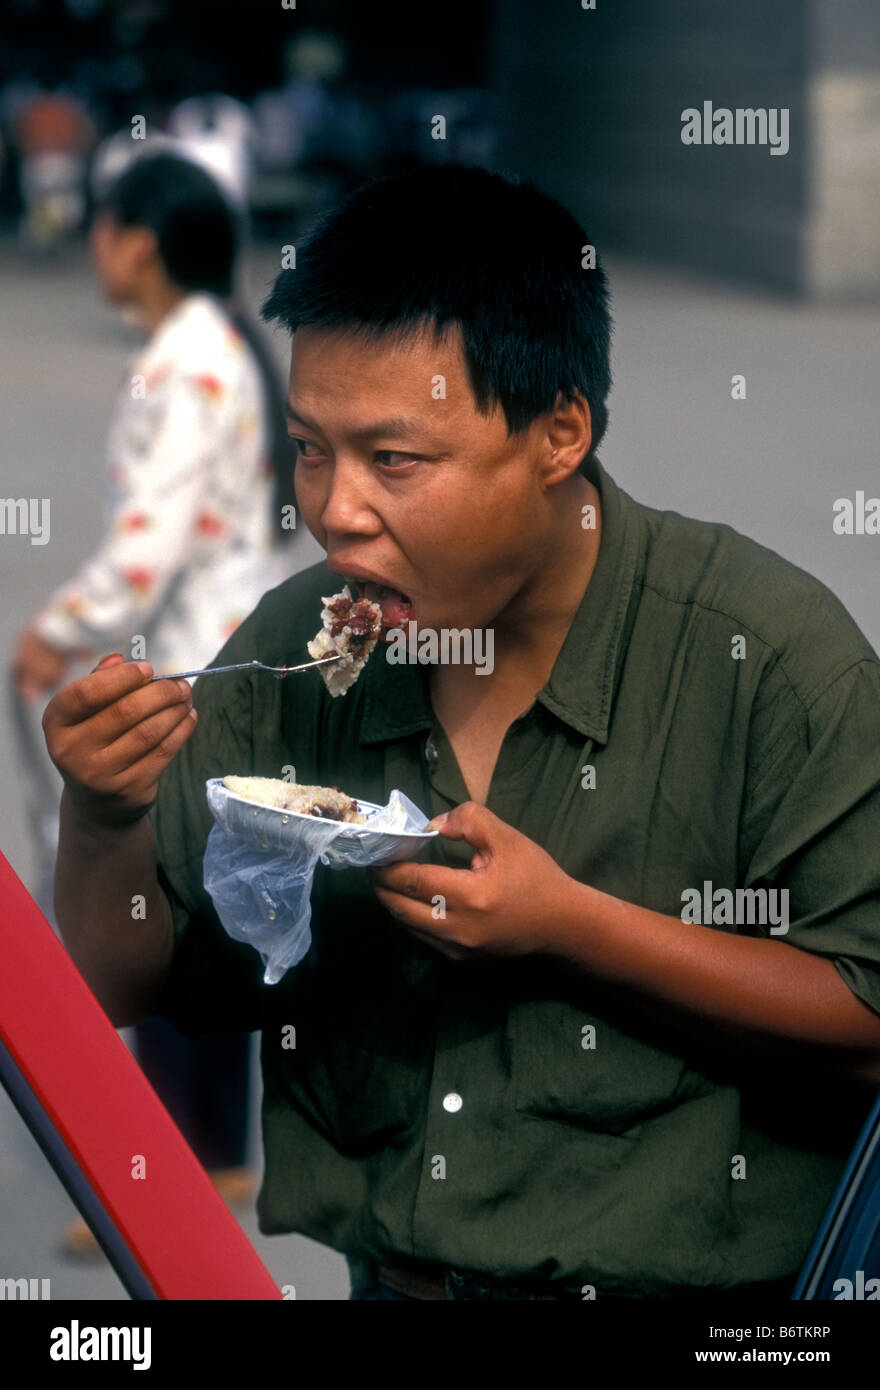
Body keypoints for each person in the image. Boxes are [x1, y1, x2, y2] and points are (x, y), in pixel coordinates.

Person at [41, 165, 880, 1299]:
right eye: (308, 448)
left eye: (394, 461)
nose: (335, 509)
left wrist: (571, 927)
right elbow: (117, 986)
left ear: (558, 434)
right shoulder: (296, 648)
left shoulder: (761, 655)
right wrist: (104, 813)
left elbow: (864, 1013)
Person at [14, 151, 296, 1255]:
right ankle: (211, 1150)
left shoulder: (186, 366)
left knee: (163, 914)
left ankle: (171, 1172)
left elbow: (149, 546)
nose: (94, 244)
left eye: (104, 225)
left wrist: (58, 630)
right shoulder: (213, 345)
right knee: (202, 912)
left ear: (139, 241)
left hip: (190, 673)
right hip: (220, 662)